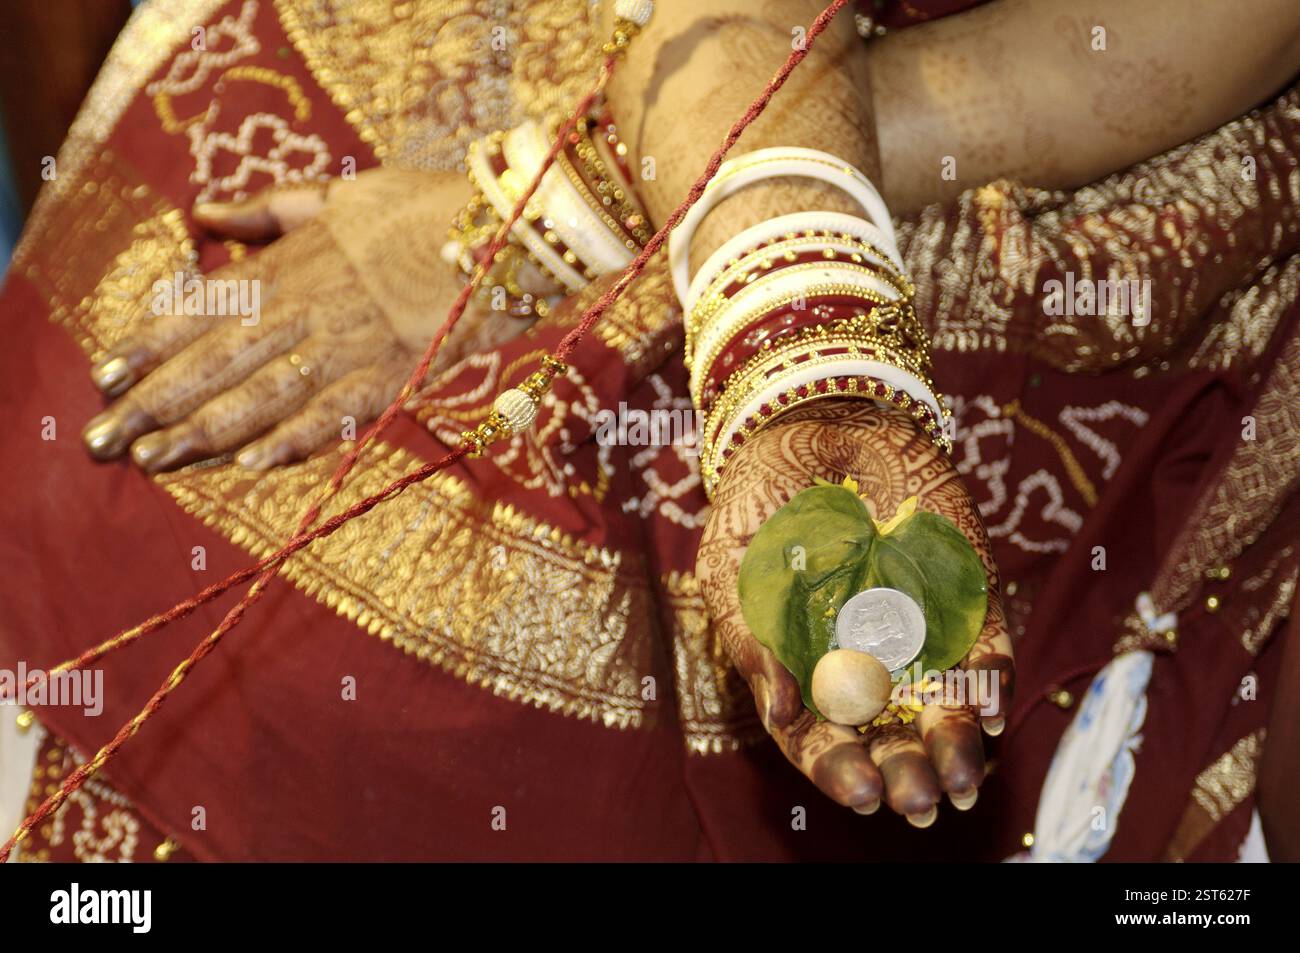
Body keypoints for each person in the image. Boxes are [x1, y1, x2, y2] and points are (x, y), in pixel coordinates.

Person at [0, 0, 1296, 861]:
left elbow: (1154, 35)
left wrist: (785, 358)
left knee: (451, 716)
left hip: (1061, 115)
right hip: (675, 48)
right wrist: (802, 352)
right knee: (166, 487)